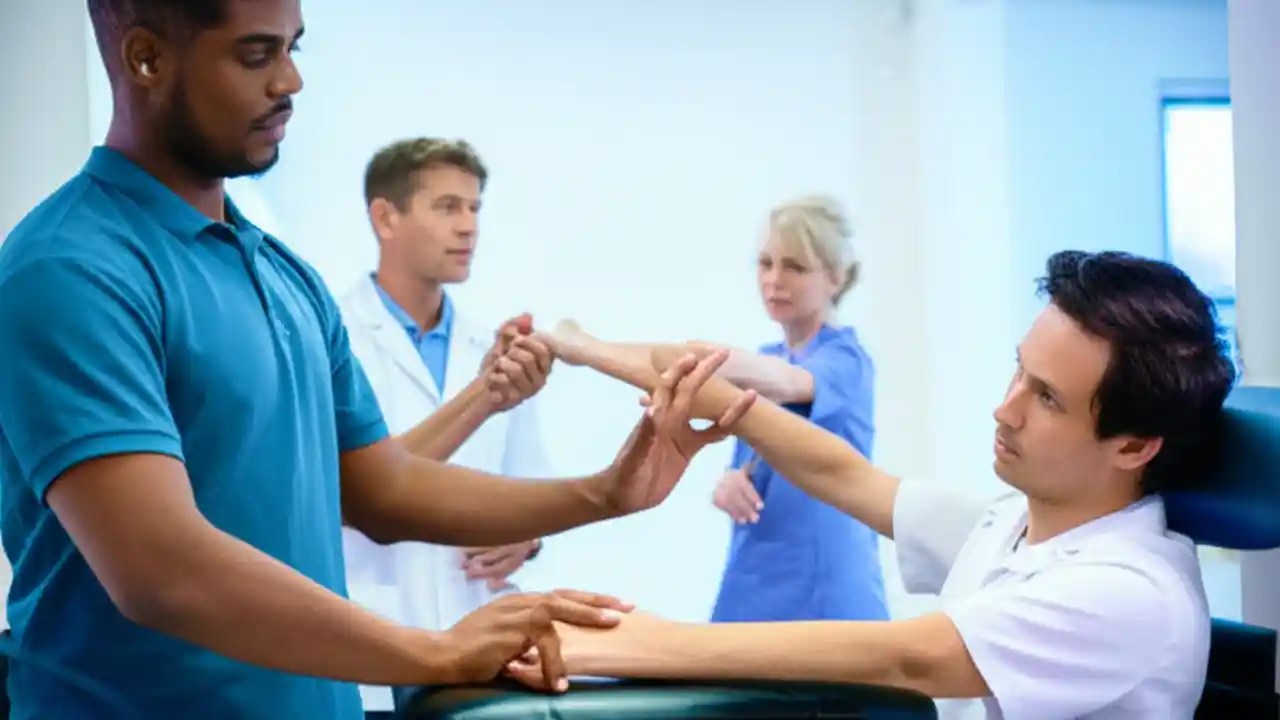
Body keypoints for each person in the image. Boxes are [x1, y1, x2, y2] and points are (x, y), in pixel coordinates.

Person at [0, 2, 754, 718]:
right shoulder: (72, 267)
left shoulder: (283, 277)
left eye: (293, 48)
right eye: (256, 54)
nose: (290, 81)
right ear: (145, 57)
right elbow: (160, 569)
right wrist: (435, 654)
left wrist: (605, 494)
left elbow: (383, 488)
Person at [535, 249, 1236, 719]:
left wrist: (632, 642)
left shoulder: (1129, 591)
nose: (1005, 407)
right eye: (1017, 371)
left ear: (1136, 445)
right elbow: (842, 473)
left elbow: (908, 658)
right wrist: (707, 399)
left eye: (1046, 398)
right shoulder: (1015, 526)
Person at [340, 137, 556, 717]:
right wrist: (481, 396)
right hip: (370, 648)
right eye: (447, 207)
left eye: (474, 208)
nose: (469, 227)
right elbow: (357, 488)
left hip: (482, 652)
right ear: (385, 217)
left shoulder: (497, 348)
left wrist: (528, 537)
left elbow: (528, 483)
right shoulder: (332, 339)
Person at [694, 195, 886, 622]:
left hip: (826, 588)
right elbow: (750, 466)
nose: (774, 280)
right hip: (757, 575)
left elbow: (788, 383)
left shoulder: (846, 360)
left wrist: (695, 361)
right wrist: (729, 483)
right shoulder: (764, 359)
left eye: (795, 267)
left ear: (835, 278)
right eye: (765, 264)